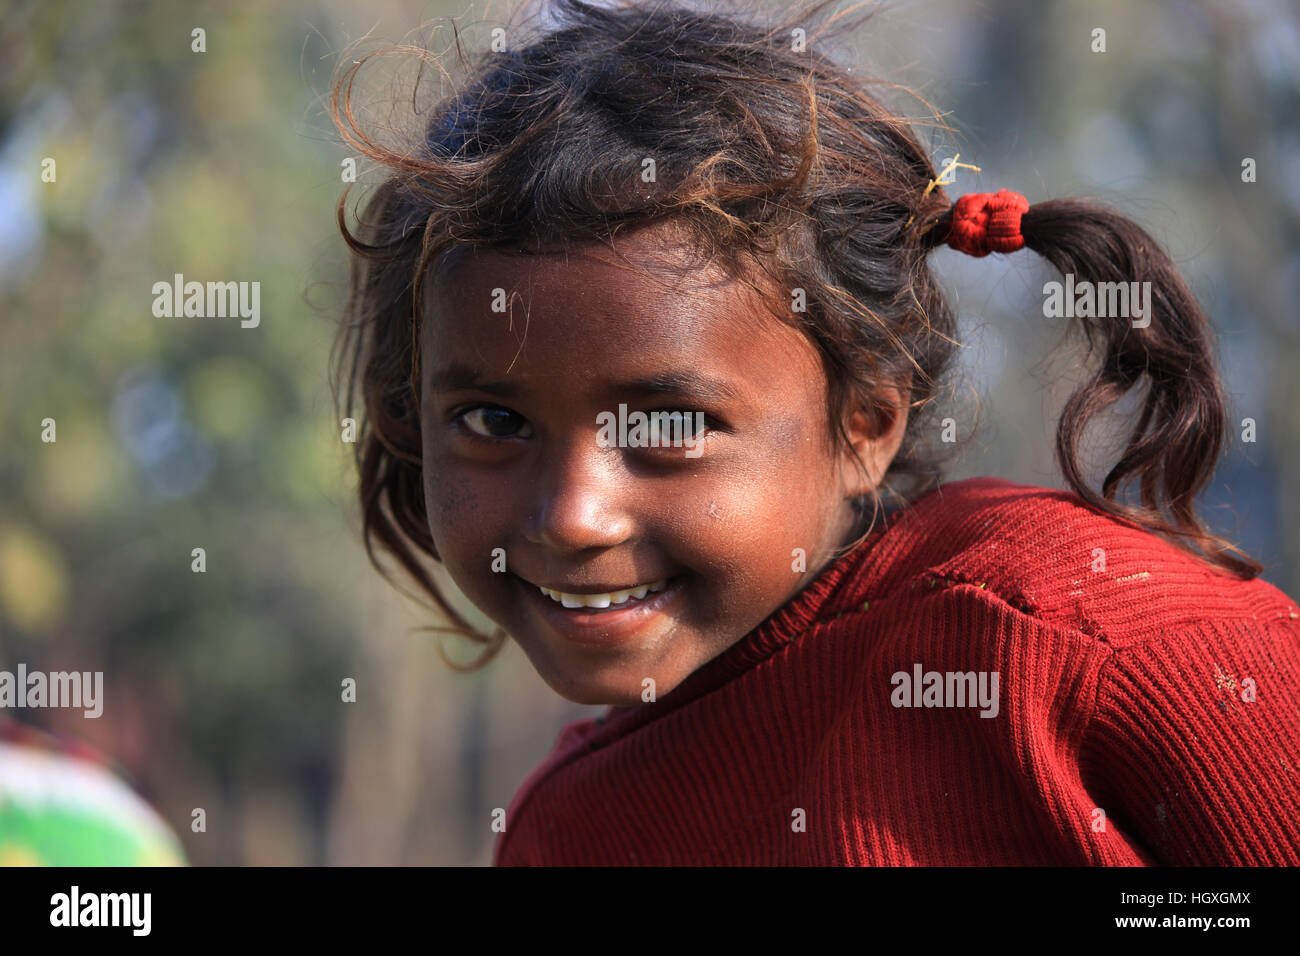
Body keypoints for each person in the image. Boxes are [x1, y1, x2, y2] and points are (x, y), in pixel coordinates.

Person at [328, 0, 1300, 864]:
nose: (574, 515)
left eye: (667, 423)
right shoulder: (567, 829)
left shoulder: (1103, 646)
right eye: (493, 420)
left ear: (867, 419)